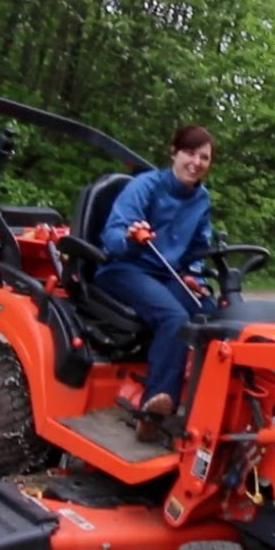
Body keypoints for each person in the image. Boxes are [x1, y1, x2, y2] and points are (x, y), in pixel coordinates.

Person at [97, 125, 217, 441]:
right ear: (174, 152)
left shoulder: (201, 199)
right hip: (126, 268)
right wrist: (131, 237)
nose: (196, 162)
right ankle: (155, 407)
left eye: (204, 157)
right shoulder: (144, 186)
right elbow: (112, 237)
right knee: (174, 317)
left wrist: (194, 274)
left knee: (213, 311)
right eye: (190, 153)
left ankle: (207, 402)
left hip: (167, 273)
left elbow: (197, 251)